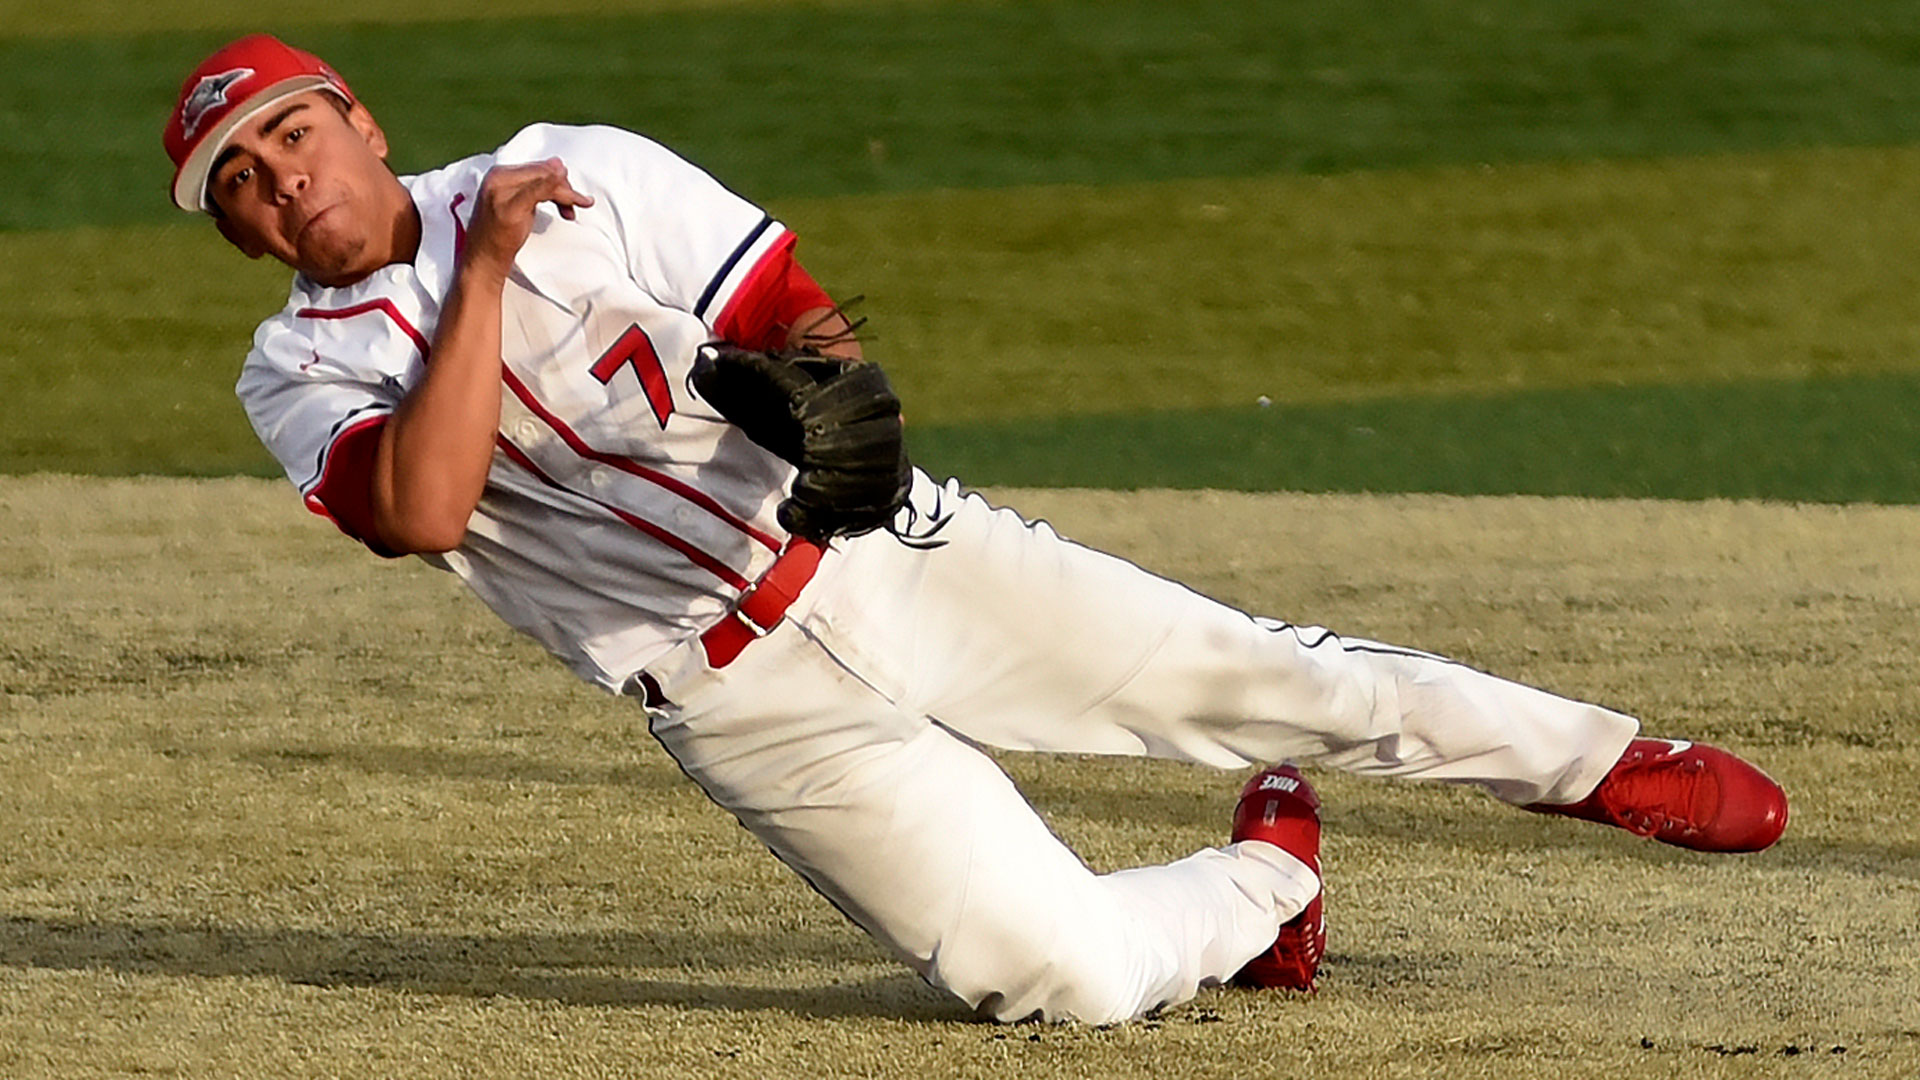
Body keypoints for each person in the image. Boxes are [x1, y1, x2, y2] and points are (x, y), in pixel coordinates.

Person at [162, 34, 1789, 1025]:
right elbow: (423, 508)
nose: (281, 181)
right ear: (236, 233)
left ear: (360, 119)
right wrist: (490, 274)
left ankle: (1599, 762)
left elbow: (792, 312)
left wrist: (847, 400)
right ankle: (1262, 891)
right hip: (734, 697)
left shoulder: (572, 165)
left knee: (1277, 679)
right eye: (240, 180)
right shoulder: (295, 371)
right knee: (1054, 976)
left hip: (888, 557)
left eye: (293, 133)